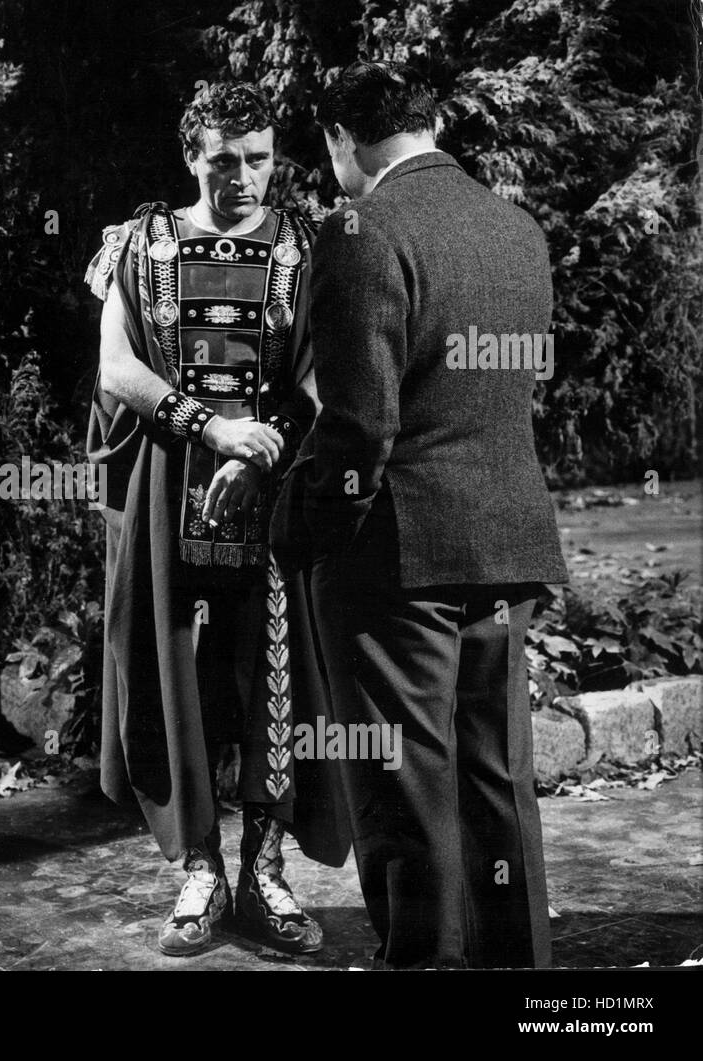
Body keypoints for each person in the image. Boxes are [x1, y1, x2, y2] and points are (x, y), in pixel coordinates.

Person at [294, 60, 569, 968]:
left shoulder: (358, 229)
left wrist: (292, 530)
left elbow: (358, 432)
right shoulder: (516, 227)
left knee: (407, 789)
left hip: (398, 557)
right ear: (435, 119)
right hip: (506, 538)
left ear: (342, 138)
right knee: (496, 779)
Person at [87, 81, 349, 958]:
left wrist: (256, 447)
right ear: (190, 156)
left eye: (260, 158)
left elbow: (323, 376)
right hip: (169, 484)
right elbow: (116, 367)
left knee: (277, 674)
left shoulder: (306, 247)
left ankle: (265, 868)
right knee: (168, 670)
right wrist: (209, 427)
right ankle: (198, 870)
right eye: (224, 159)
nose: (243, 177)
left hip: (271, 487)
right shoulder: (139, 242)